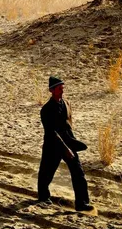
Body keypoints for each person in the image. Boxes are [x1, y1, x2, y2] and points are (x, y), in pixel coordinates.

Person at [37, 76, 94, 212]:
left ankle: (81, 203)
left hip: (69, 143)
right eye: (59, 89)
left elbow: (69, 126)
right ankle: (43, 197)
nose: (62, 91)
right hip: (53, 145)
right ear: (52, 90)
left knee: (78, 173)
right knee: (46, 172)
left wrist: (73, 143)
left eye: (63, 88)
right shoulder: (46, 109)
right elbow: (51, 132)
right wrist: (65, 148)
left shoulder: (67, 103)